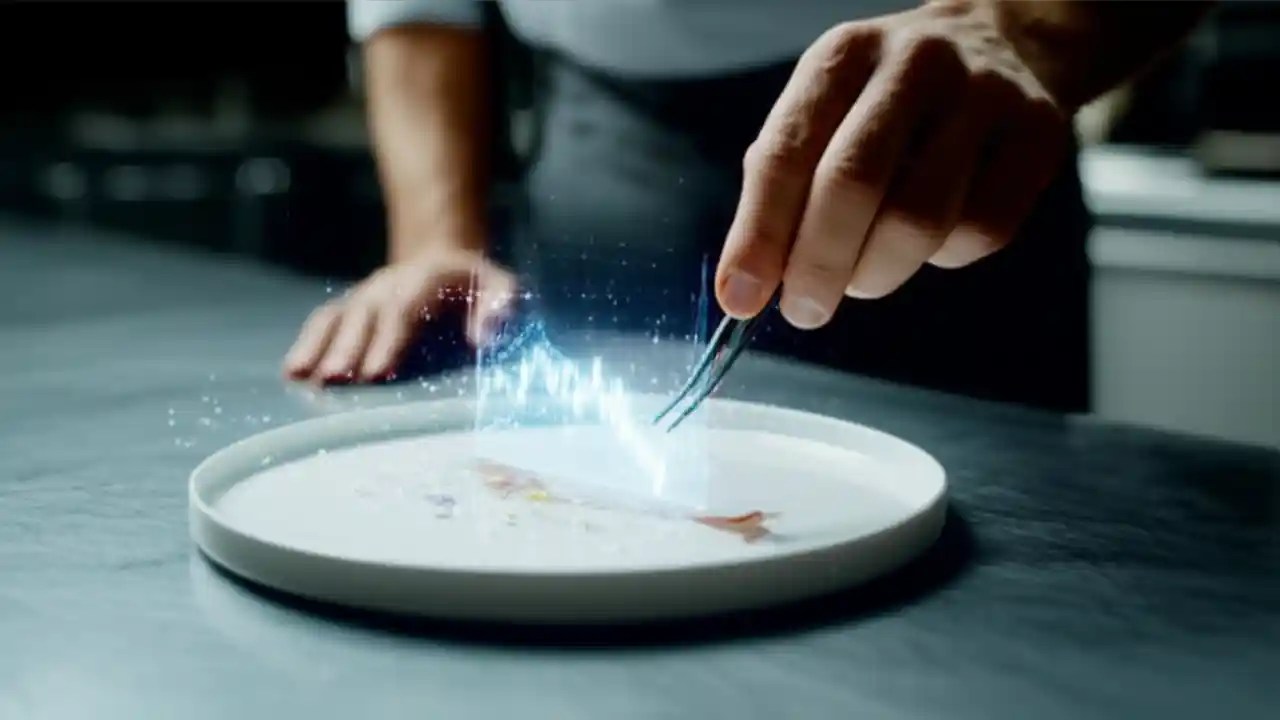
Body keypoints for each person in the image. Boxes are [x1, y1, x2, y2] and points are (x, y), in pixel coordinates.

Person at [284, 0, 1212, 412]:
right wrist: (435, 240)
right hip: (601, 141)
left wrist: (1021, 30)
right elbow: (417, 10)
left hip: (934, 123)